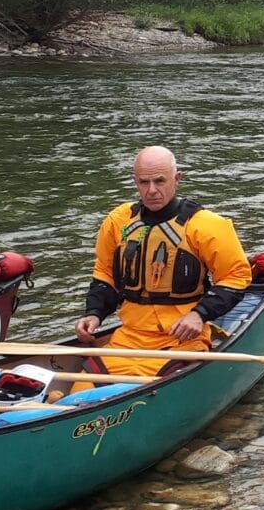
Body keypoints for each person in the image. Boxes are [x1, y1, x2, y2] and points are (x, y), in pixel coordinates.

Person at [75, 146, 253, 377]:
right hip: (128, 338)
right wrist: (94, 313)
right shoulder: (119, 220)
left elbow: (236, 276)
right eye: (143, 182)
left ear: (177, 179)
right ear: (134, 181)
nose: (151, 191)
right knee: (81, 390)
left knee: (144, 390)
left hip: (182, 339)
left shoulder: (207, 225)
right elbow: (105, 273)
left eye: (160, 181)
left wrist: (199, 314)